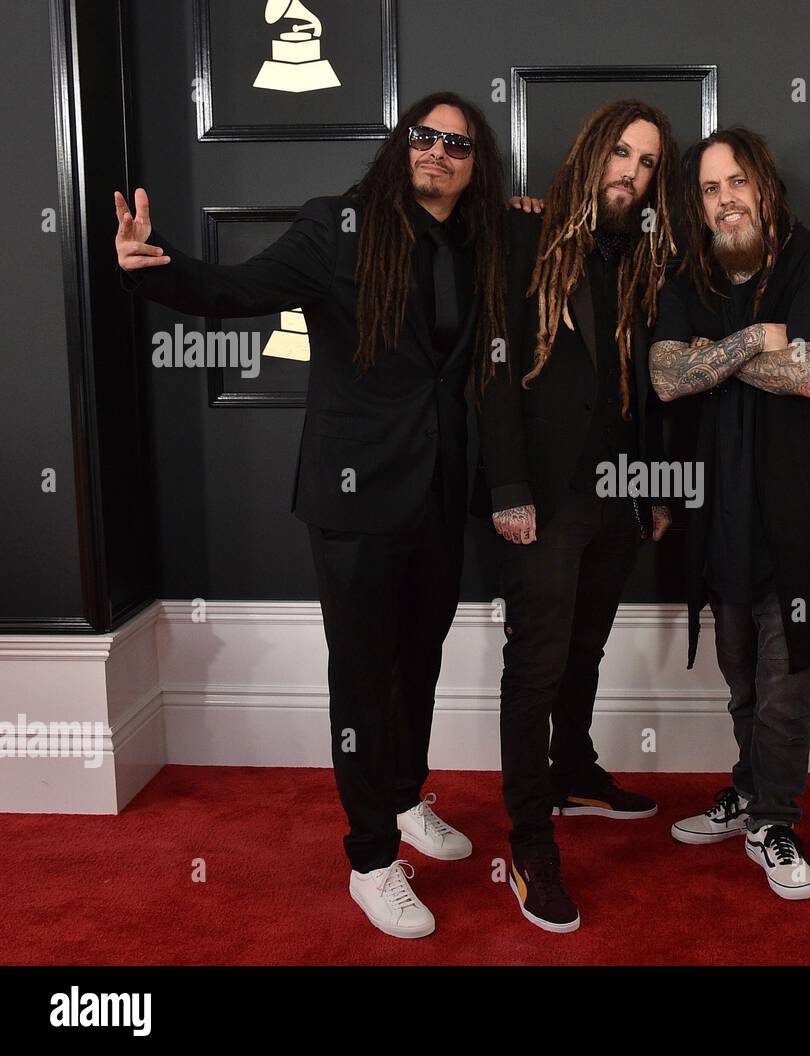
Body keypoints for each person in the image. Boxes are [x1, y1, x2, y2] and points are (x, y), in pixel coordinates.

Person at [114, 91, 509, 939]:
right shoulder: (337, 227)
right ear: (402, 146)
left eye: (457, 144)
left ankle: (404, 799)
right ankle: (371, 860)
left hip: (440, 492)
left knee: (420, 660)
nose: (436, 151)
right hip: (355, 494)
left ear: (476, 165)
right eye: (423, 136)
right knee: (363, 676)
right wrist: (156, 264)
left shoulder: (478, 242)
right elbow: (234, 287)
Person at [478, 99, 676, 932]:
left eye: (646, 164)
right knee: (536, 662)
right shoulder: (523, 237)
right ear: (590, 153)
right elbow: (492, 368)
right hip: (546, 498)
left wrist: (658, 486)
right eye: (620, 155)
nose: (629, 173)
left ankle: (574, 771)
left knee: (585, 646)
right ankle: (529, 844)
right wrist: (508, 489)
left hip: (620, 495)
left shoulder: (646, 255)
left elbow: (655, 382)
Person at [651, 128, 810, 901]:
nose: (724, 199)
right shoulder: (691, 279)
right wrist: (751, 341)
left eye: (736, 181)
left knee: (784, 687)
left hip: (804, 524)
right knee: (741, 681)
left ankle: (774, 820)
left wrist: (717, 360)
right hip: (721, 522)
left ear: (766, 186)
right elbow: (668, 378)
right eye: (709, 189)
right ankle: (747, 788)